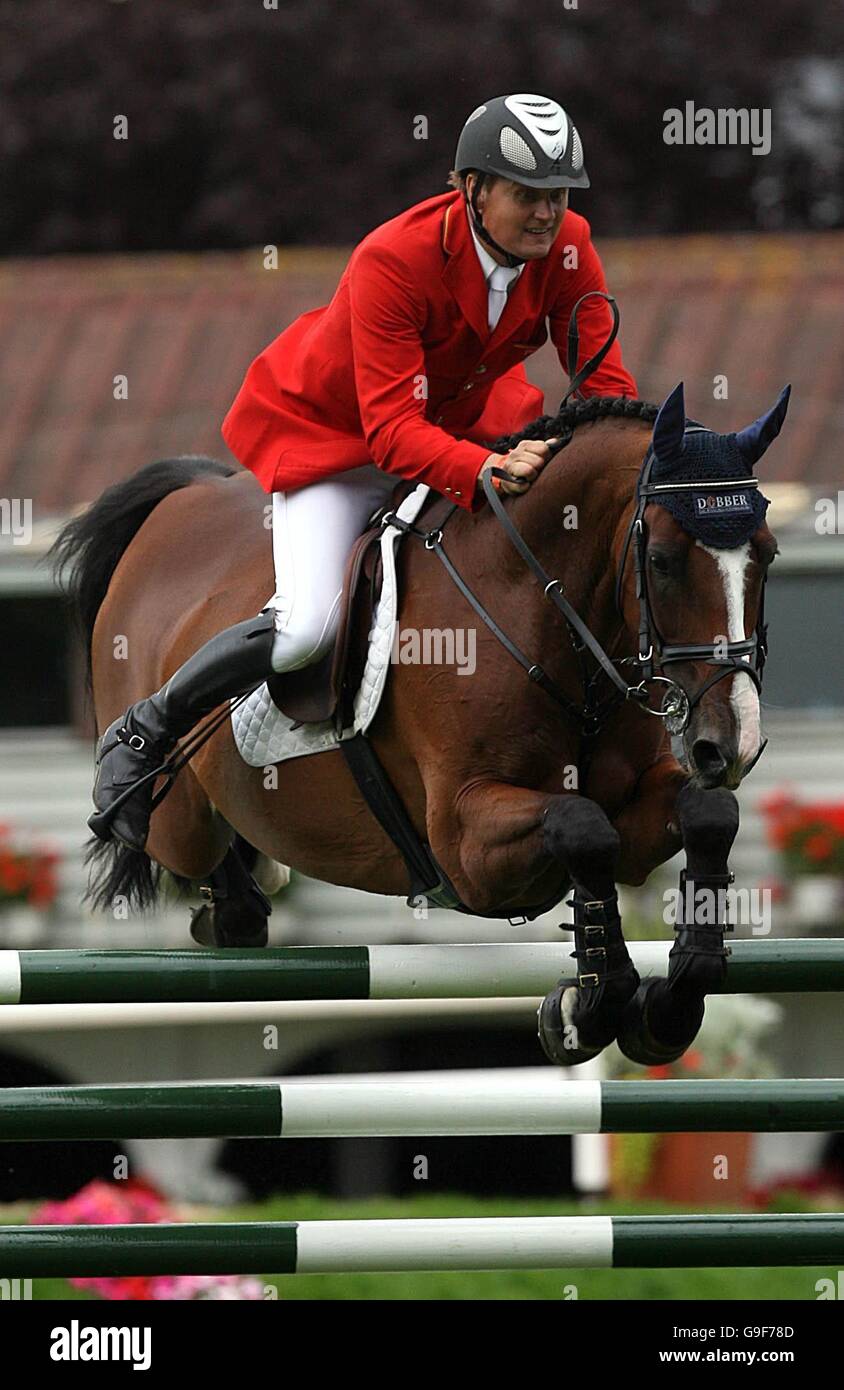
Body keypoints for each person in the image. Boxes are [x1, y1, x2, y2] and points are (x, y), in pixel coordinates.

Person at [89, 92, 638, 852]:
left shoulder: (570, 247)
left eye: (558, 195)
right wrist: (484, 469)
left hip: (469, 426)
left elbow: (605, 383)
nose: (548, 214)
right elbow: (390, 433)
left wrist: (633, 463)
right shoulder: (393, 258)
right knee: (307, 626)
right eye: (527, 195)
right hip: (340, 441)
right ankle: (147, 728)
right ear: (472, 190)